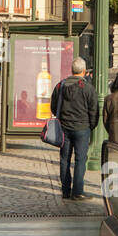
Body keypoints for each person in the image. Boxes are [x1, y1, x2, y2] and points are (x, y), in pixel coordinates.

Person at [51, 56, 99, 200]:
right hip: (82, 128)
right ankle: (77, 192)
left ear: (72, 70)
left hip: (64, 128)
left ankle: (66, 191)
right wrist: (90, 126)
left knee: (64, 159)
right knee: (80, 160)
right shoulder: (88, 88)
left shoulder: (60, 86)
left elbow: (53, 106)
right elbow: (94, 110)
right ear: (84, 71)